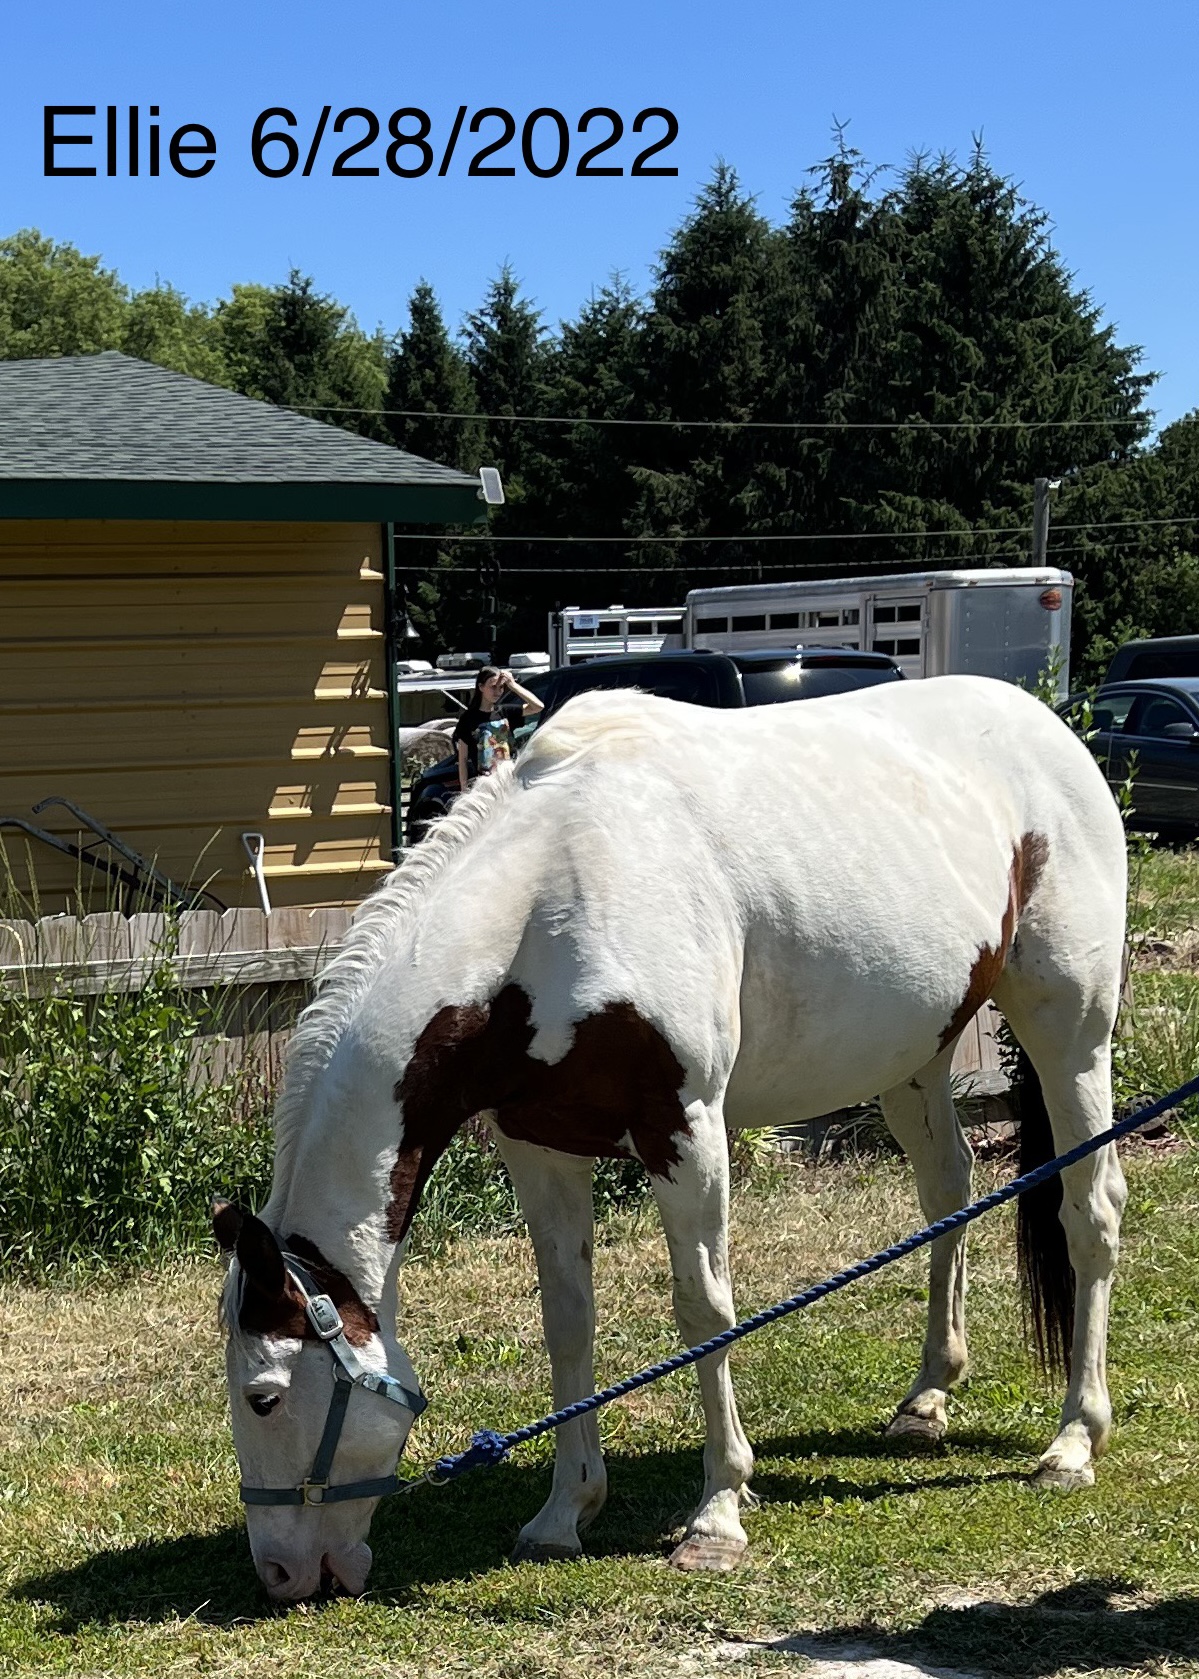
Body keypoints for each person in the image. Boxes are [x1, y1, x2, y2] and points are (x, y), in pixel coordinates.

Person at [452, 666, 545, 794]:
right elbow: (463, 758)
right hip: (484, 785)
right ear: (481, 687)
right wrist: (464, 788)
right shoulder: (468, 718)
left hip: (509, 780)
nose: (497, 691)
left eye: (501, 687)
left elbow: (538, 706)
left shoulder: (504, 711)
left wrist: (513, 685)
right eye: (493, 687)